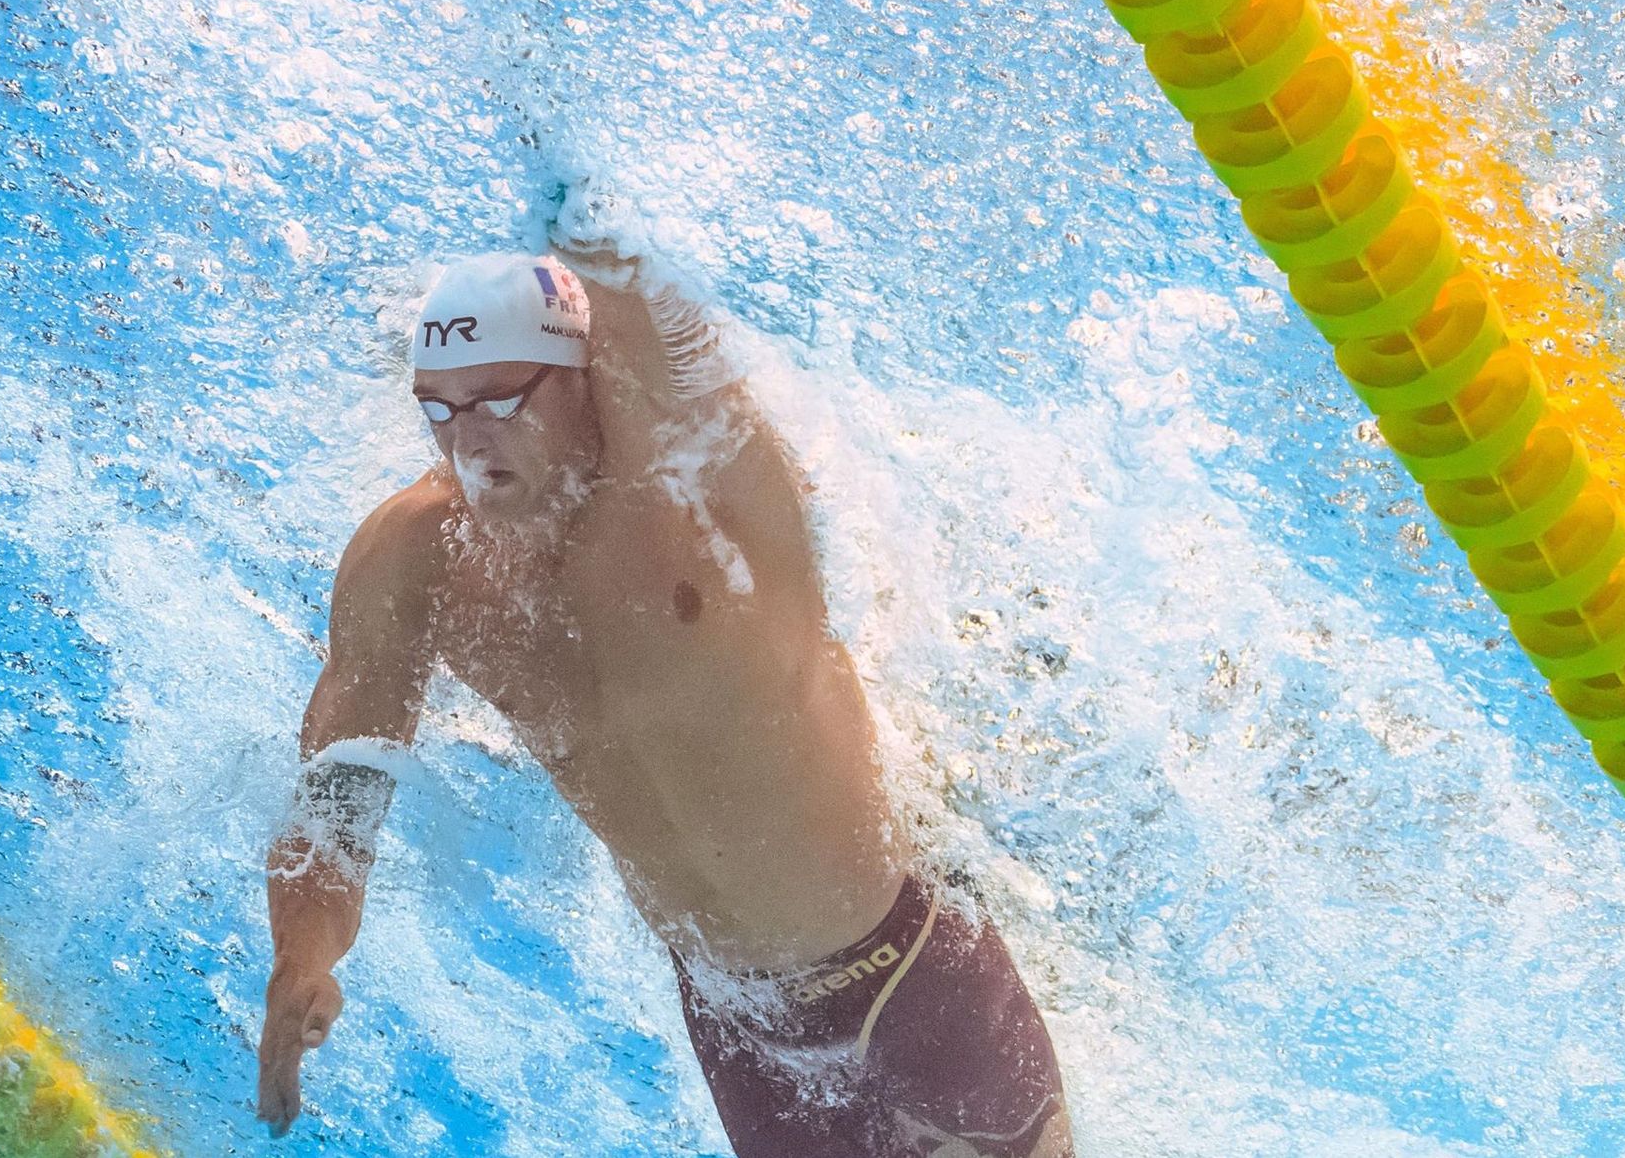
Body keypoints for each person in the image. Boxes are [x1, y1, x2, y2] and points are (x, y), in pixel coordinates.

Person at [253, 197, 1075, 1158]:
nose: (467, 442)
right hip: (735, 1021)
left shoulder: (692, 486)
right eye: (438, 411)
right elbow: (340, 791)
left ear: (582, 377)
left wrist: (572, 203)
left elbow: (657, 318)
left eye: (500, 401)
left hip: (907, 966)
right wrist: (301, 952)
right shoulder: (417, 556)